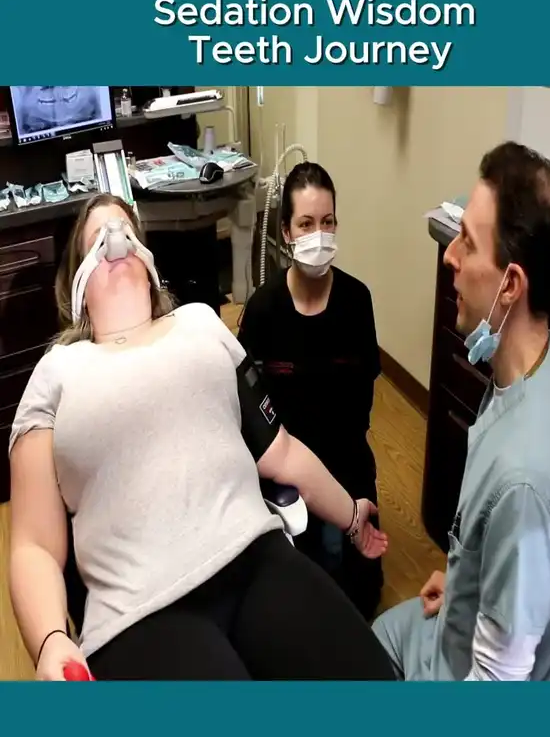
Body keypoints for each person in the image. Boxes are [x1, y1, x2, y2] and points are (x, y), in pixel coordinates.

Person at [8, 192, 397, 682]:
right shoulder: (57, 373)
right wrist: (51, 641)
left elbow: (280, 451)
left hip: (255, 554)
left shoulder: (200, 324)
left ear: (148, 262)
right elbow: (35, 545)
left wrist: (353, 517)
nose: (116, 242)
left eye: (125, 231)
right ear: (77, 285)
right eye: (99, 240)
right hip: (140, 608)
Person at [373, 141, 550, 681]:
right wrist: (464, 583)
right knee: (372, 636)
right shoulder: (547, 361)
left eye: (467, 242)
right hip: (456, 625)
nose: (449, 254)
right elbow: (510, 555)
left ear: (511, 284)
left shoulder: (526, 481)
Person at [238, 162, 383, 621]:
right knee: (290, 596)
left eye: (327, 222)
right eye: (306, 224)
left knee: (358, 594)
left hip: (345, 463)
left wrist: (341, 500)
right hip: (284, 469)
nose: (318, 234)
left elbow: (362, 407)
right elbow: (248, 412)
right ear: (286, 231)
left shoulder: (357, 302)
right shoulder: (263, 309)